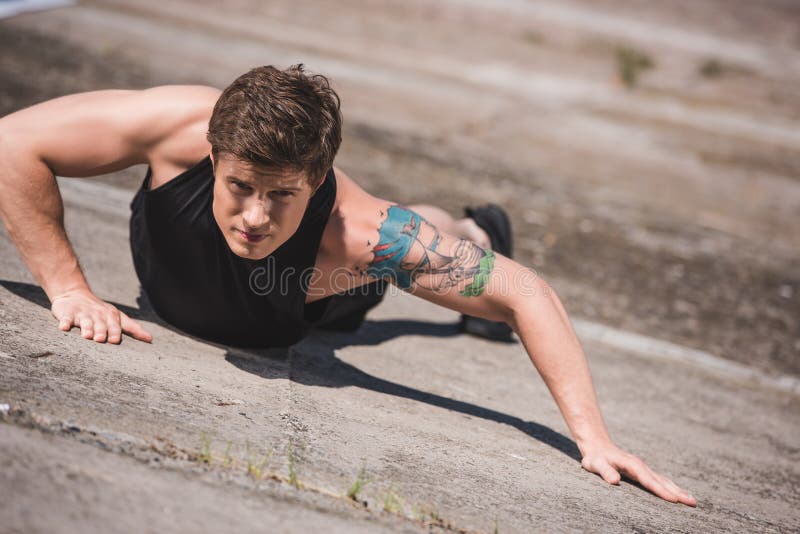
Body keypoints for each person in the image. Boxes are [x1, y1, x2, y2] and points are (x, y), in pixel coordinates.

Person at [0, 65, 695, 506]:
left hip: (307, 298)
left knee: (409, 239)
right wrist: (68, 289)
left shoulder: (357, 231)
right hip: (176, 279)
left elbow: (526, 294)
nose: (255, 217)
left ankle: (474, 227)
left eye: (283, 196)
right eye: (240, 186)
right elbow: (11, 143)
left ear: (318, 179)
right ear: (212, 153)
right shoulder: (173, 124)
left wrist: (593, 439)